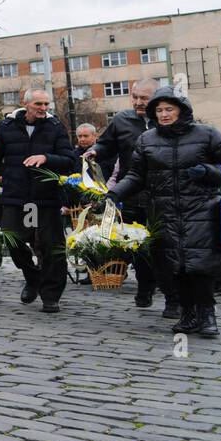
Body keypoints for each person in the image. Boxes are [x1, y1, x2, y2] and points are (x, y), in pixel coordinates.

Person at [108, 86, 221, 337]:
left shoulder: (207, 134)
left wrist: (210, 172)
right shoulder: (146, 139)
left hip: (201, 210)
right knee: (174, 266)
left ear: (182, 110)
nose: (164, 114)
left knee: (200, 265)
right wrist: (114, 194)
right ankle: (188, 313)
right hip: (163, 212)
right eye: (159, 110)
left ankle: (207, 314)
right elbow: (135, 175)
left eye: (169, 109)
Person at [0, 88, 78, 313]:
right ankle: (33, 276)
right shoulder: (6, 127)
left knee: (51, 247)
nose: (44, 109)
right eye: (39, 104)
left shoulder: (55, 127)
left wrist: (46, 158)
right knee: (13, 240)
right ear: (26, 105)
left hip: (45, 198)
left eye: (47, 104)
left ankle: (50, 295)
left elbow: (69, 160)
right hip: (17, 197)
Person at [85, 79, 169, 312]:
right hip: (131, 192)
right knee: (137, 242)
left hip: (161, 192)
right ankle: (145, 286)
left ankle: (172, 296)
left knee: (163, 244)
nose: (139, 102)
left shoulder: (165, 118)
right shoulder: (122, 119)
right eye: (135, 97)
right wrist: (96, 151)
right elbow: (107, 145)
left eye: (145, 98)